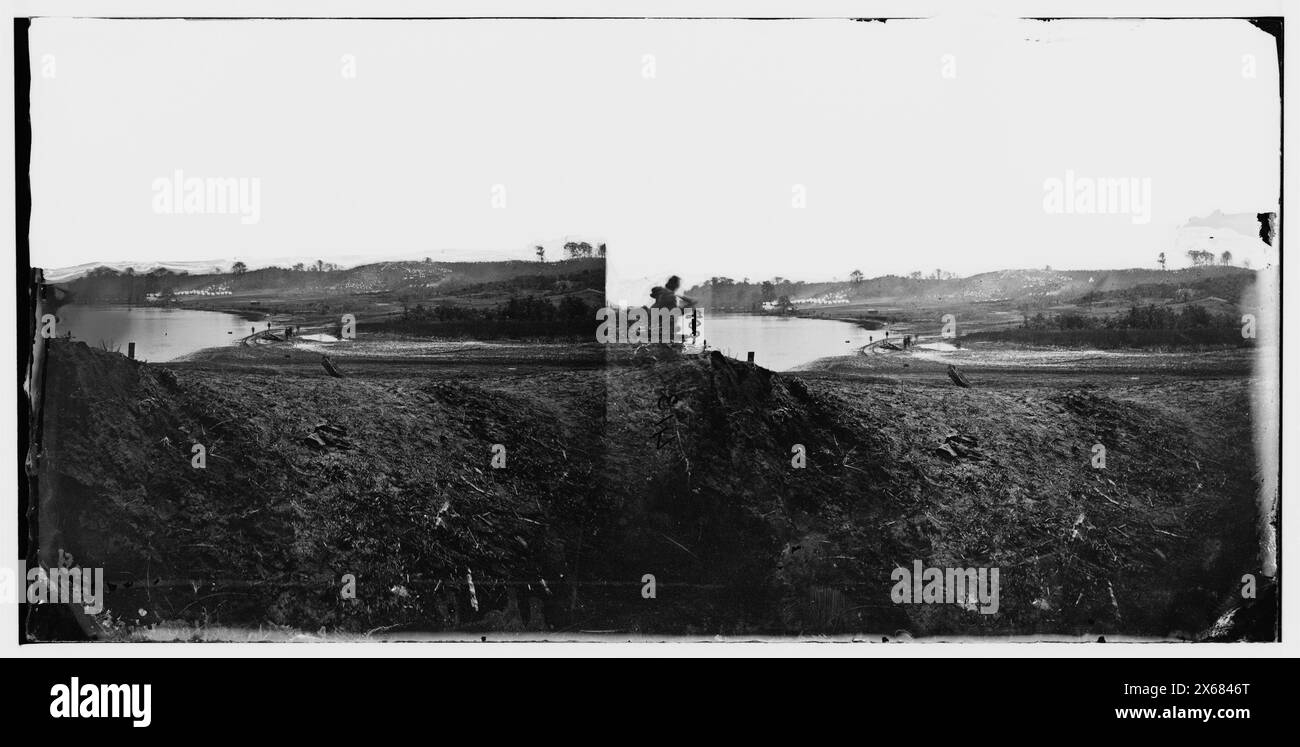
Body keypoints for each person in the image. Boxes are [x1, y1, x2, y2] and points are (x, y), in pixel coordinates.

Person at [649, 275, 696, 343]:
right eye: (678, 285)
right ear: (676, 286)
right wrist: (689, 306)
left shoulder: (663, 293)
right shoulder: (669, 296)